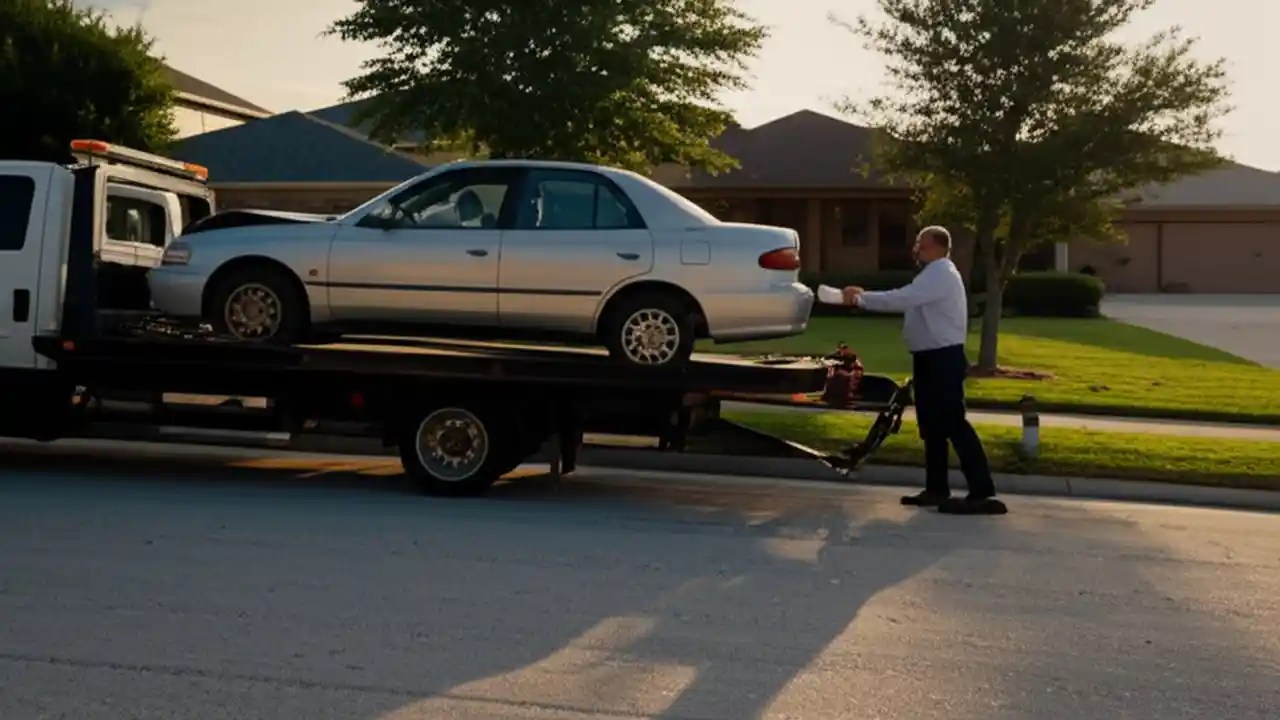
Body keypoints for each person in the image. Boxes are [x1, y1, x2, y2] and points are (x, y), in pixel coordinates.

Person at [841, 226, 1007, 515]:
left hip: (943, 359)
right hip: (930, 358)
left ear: (942, 247)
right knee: (932, 428)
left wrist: (861, 298)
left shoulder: (941, 272)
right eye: (917, 243)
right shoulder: (933, 273)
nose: (917, 249)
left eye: (924, 244)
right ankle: (936, 489)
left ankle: (982, 492)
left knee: (954, 423)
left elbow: (902, 298)